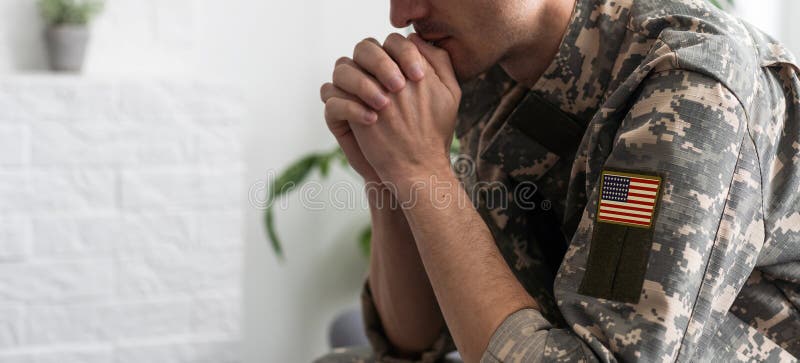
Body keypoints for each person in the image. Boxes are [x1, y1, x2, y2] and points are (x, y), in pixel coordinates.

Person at [316, 0, 800, 361]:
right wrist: (391, 177)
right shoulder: (488, 77)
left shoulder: (682, 89)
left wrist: (423, 172)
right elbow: (417, 342)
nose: (403, 13)